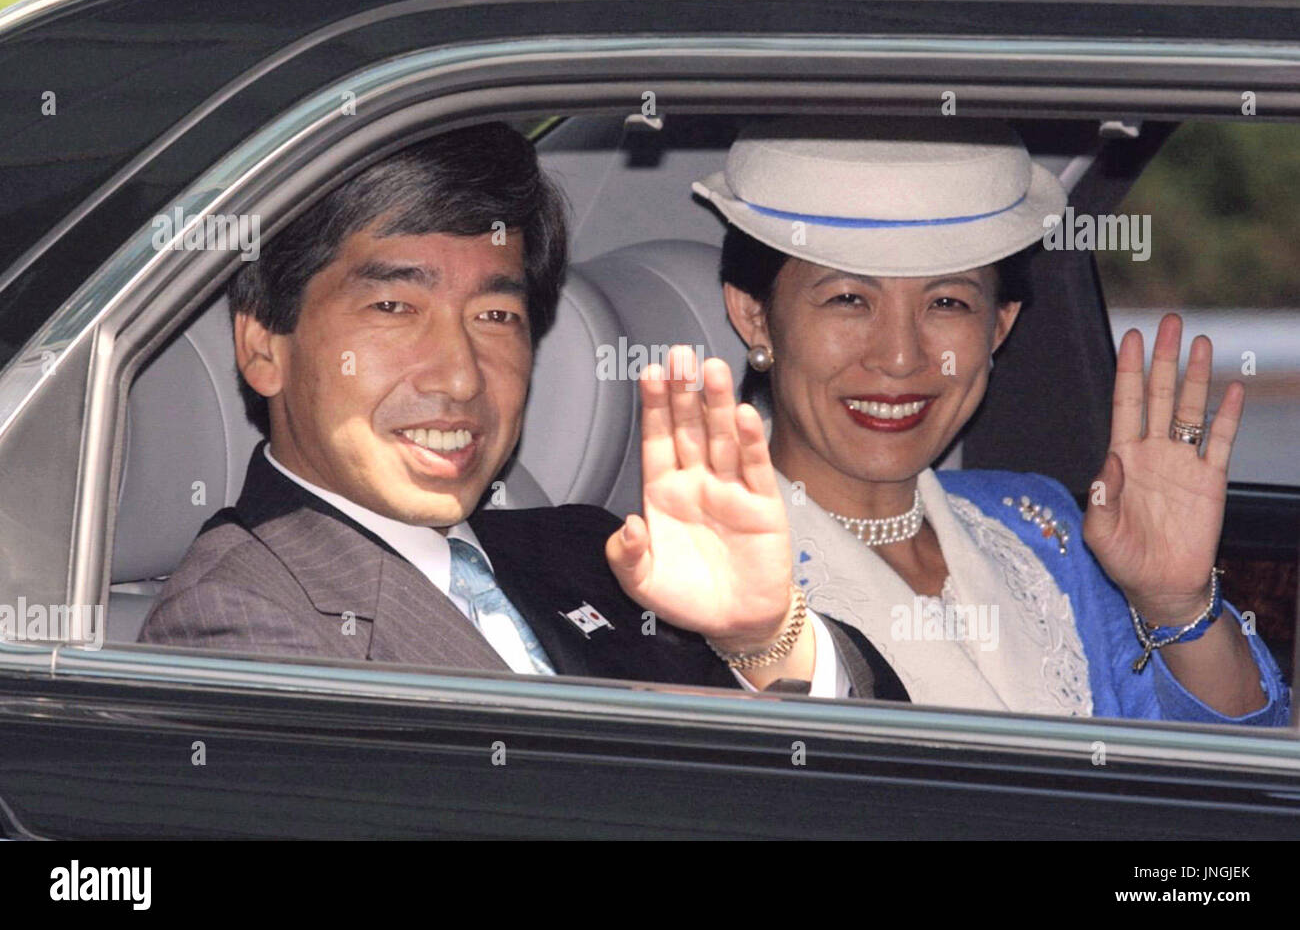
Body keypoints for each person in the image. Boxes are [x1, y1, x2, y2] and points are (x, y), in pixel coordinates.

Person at [138, 122, 899, 700]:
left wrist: (763, 638)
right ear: (265, 344)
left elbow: (898, 792)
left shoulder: (591, 552)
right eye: (395, 305)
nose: (462, 377)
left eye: (496, 317)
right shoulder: (235, 621)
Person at [693, 115, 1290, 723]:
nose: (901, 358)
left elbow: (1224, 763)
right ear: (754, 315)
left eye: (946, 302)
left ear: (999, 324)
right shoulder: (703, 567)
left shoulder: (1037, 525)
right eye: (849, 299)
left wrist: (1177, 606)